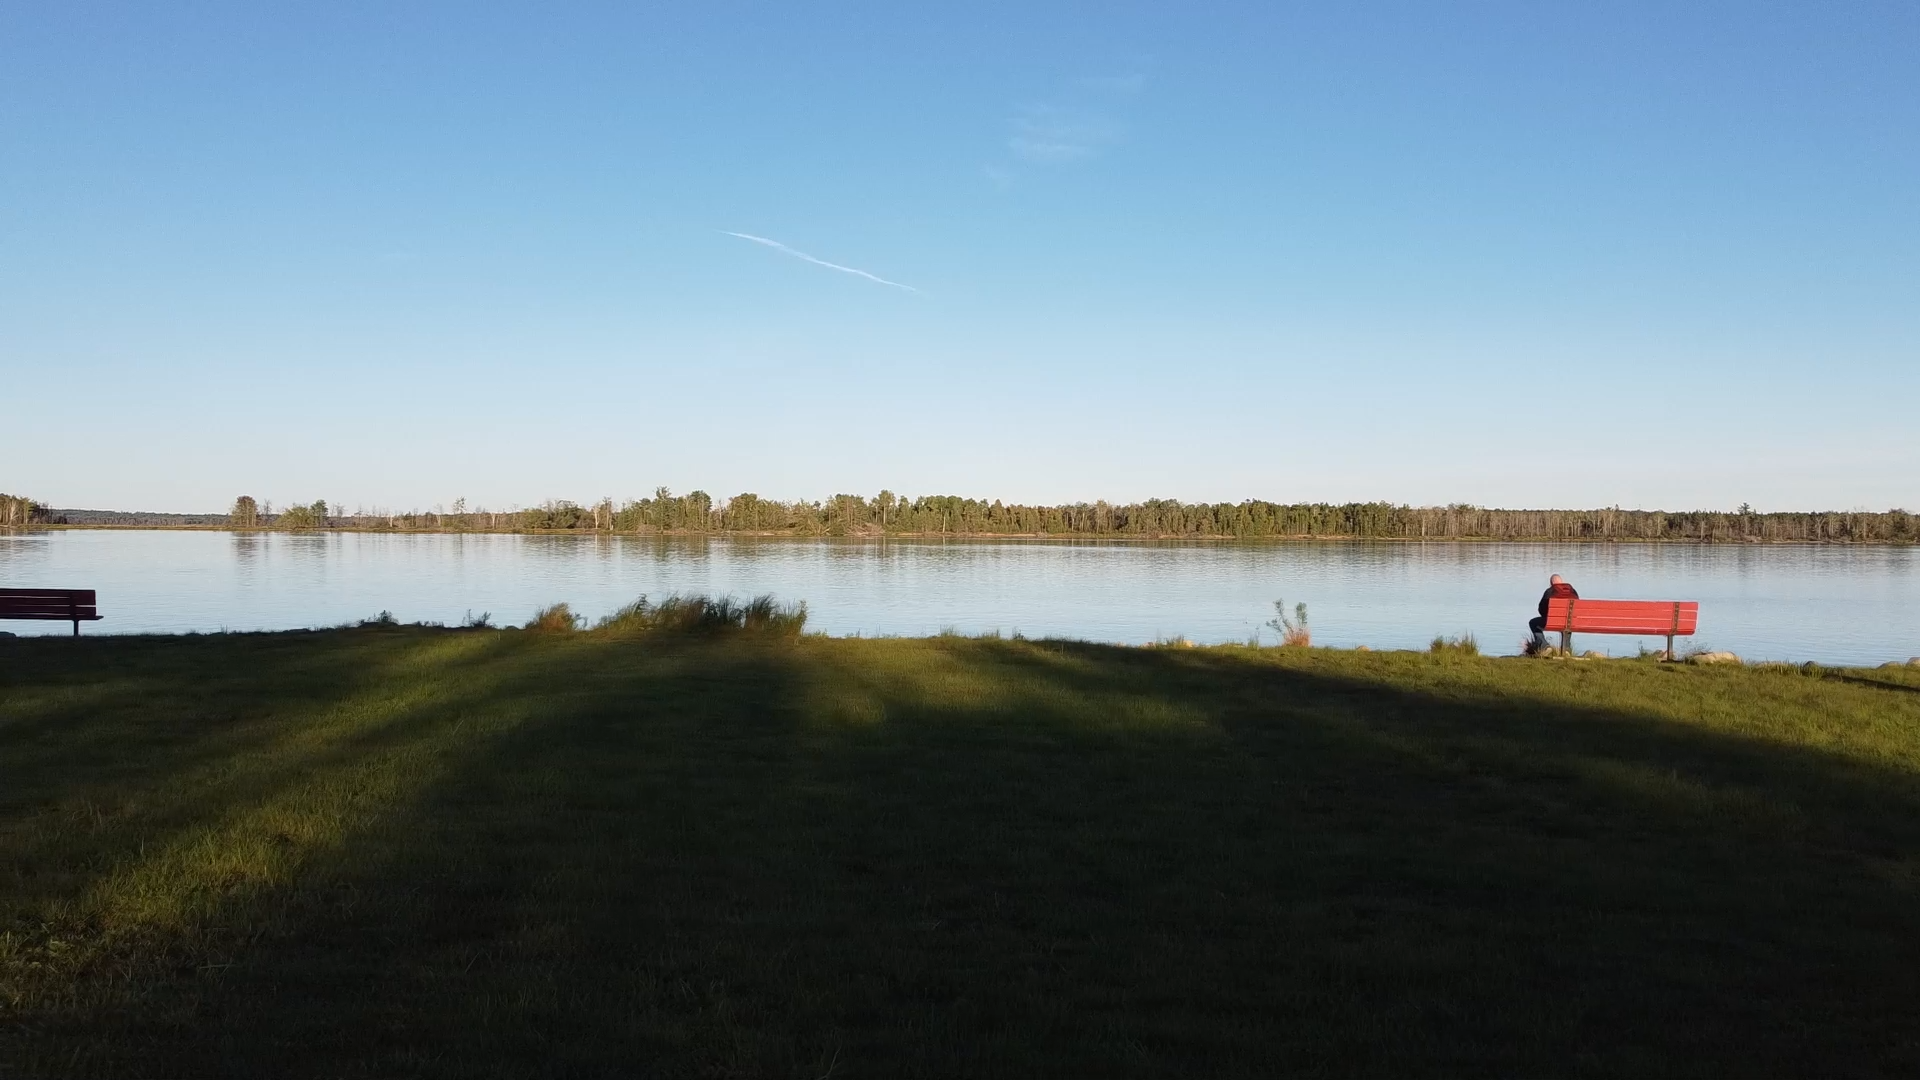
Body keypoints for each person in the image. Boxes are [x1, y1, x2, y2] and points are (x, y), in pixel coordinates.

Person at [1530, 574, 1578, 652]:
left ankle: (1544, 646)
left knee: (1533, 623)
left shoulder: (1550, 591)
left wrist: (1548, 616)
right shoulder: (1573, 591)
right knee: (1568, 623)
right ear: (1562, 582)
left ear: (1551, 583)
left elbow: (1541, 609)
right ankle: (1566, 649)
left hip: (1552, 621)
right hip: (1570, 622)